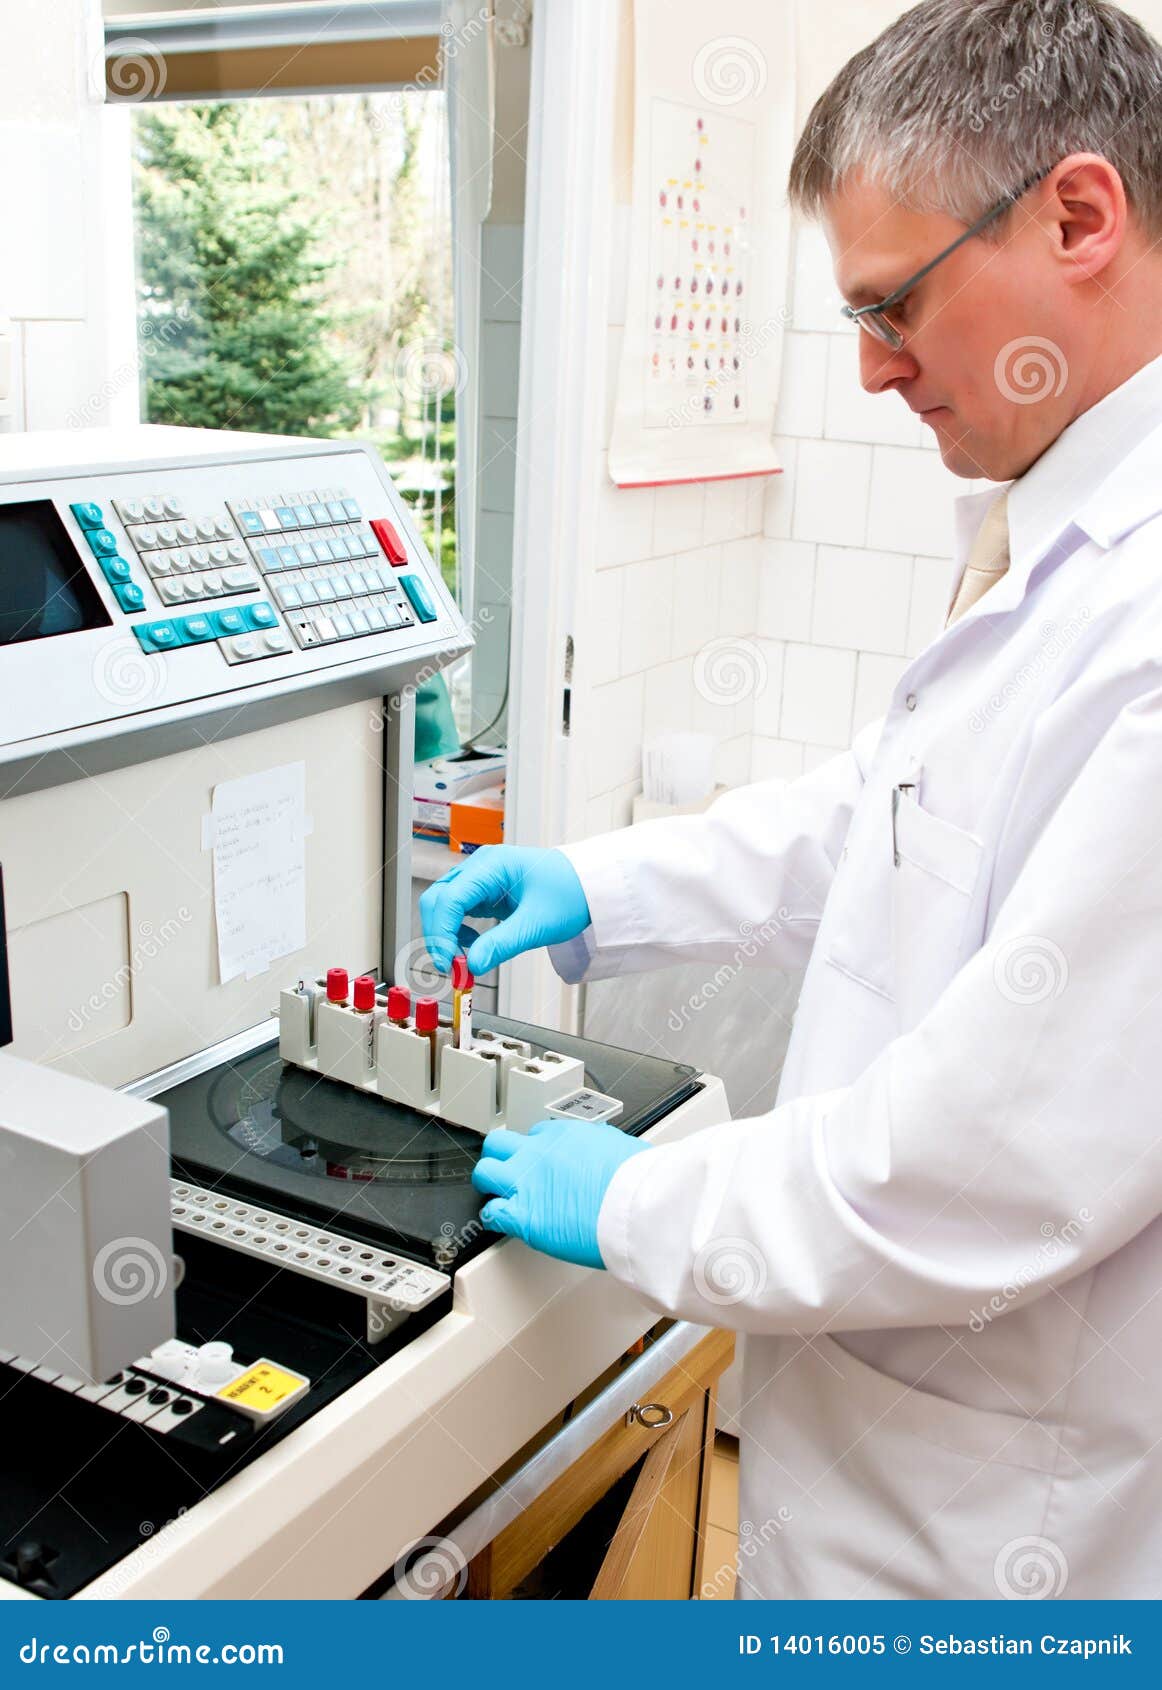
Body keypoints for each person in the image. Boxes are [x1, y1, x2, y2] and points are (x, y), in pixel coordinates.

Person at [421, 0, 1162, 1599]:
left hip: (997, 1536)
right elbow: (889, 817)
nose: (876, 368)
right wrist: (595, 882)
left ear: (1079, 216)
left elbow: (990, 1157)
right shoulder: (1058, 520)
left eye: (892, 304)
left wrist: (639, 1197)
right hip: (893, 1467)